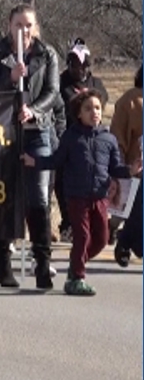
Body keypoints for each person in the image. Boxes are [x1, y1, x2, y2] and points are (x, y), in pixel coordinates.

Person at [22, 90, 141, 295]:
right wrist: (35, 162)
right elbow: (56, 161)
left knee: (102, 238)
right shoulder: (71, 137)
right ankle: (76, 278)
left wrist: (130, 170)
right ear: (79, 114)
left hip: (100, 197)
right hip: (76, 197)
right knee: (82, 236)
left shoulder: (108, 139)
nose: (94, 112)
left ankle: (76, 263)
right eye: (88, 108)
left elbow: (115, 168)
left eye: (97, 107)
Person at [0, 3, 59, 290]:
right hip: (3, 132)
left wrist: (34, 111)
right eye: (18, 25)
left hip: (37, 131)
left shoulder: (46, 54)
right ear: (8, 26)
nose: (23, 31)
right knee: (6, 197)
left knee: (37, 198)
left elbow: (52, 92)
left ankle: (42, 262)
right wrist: (10, 79)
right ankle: (2, 261)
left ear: (35, 28)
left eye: (28, 25)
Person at [55, 39, 108, 240]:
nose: (80, 69)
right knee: (64, 185)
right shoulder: (61, 83)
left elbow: (102, 100)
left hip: (93, 143)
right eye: (76, 65)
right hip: (68, 139)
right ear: (69, 64)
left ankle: (95, 224)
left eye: (84, 65)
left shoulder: (96, 84)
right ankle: (68, 223)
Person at [112, 67, 143, 266]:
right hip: (137, 170)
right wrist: (120, 168)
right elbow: (117, 137)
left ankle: (125, 240)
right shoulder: (131, 101)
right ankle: (124, 241)